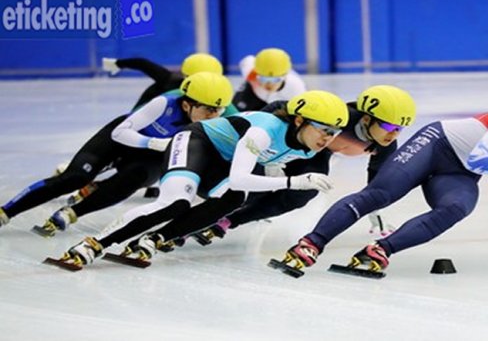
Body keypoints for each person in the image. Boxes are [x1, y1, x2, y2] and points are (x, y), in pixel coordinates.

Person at [272, 88, 488, 276]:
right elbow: (480, 159)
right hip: (436, 145)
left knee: (458, 206)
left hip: (457, 173)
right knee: (381, 194)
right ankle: (311, 243)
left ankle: (379, 251)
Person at [54, 90, 350, 268]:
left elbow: (244, 179)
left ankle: (156, 238)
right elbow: (240, 176)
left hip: (223, 159)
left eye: (334, 133)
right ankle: (94, 244)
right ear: (299, 120)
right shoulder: (264, 130)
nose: (329, 138)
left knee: (234, 200)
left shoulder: (309, 150)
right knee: (175, 202)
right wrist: (293, 183)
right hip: (196, 142)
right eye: (324, 129)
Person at [181, 84, 417, 249]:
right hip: (299, 145)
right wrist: (261, 132)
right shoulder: (344, 115)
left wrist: (376, 215)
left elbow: (376, 186)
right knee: (253, 185)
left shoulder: (385, 146)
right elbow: (284, 106)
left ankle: (229, 221)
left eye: (400, 128)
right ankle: (194, 217)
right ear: (366, 118)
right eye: (388, 126)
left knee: (299, 196)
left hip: (319, 155)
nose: (393, 134)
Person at [0, 72, 234, 237]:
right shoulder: (164, 104)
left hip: (149, 157)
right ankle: (6, 211)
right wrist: (155, 142)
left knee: (133, 179)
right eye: (208, 109)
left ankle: (72, 213)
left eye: (219, 110)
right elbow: (120, 133)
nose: (214, 116)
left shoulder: (217, 122)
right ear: (187, 105)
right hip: (122, 140)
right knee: (74, 178)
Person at [57, 53, 228, 202]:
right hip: (140, 126)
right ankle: (77, 173)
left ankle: (91, 178)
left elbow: (143, 63)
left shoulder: (177, 83)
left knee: (140, 164)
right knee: (124, 159)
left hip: (149, 129)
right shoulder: (172, 84)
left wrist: (117, 63)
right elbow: (144, 64)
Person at [232, 48, 306, 112]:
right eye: (264, 78)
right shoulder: (251, 71)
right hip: (255, 97)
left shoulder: (296, 87)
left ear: (284, 76)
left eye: (275, 79)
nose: (268, 83)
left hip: (280, 104)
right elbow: (247, 60)